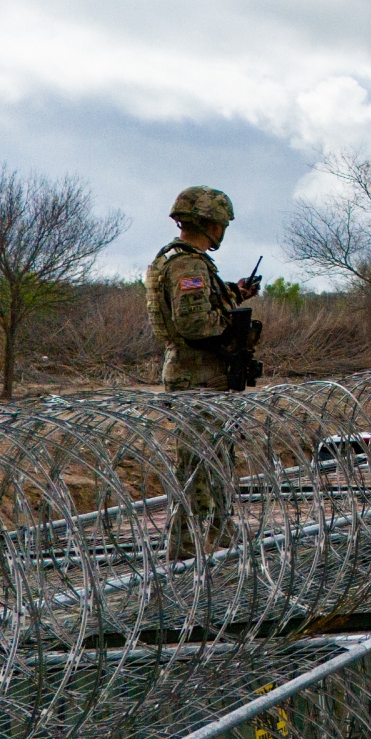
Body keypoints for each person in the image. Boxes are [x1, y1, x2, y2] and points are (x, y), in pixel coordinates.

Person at [144, 186, 259, 560]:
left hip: (199, 374)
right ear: (209, 224)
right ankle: (188, 549)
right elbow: (195, 323)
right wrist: (233, 326)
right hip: (198, 376)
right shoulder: (187, 264)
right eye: (221, 224)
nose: (223, 231)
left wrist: (235, 293)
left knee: (214, 462)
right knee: (198, 468)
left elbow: (201, 301)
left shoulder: (180, 260)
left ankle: (216, 539)